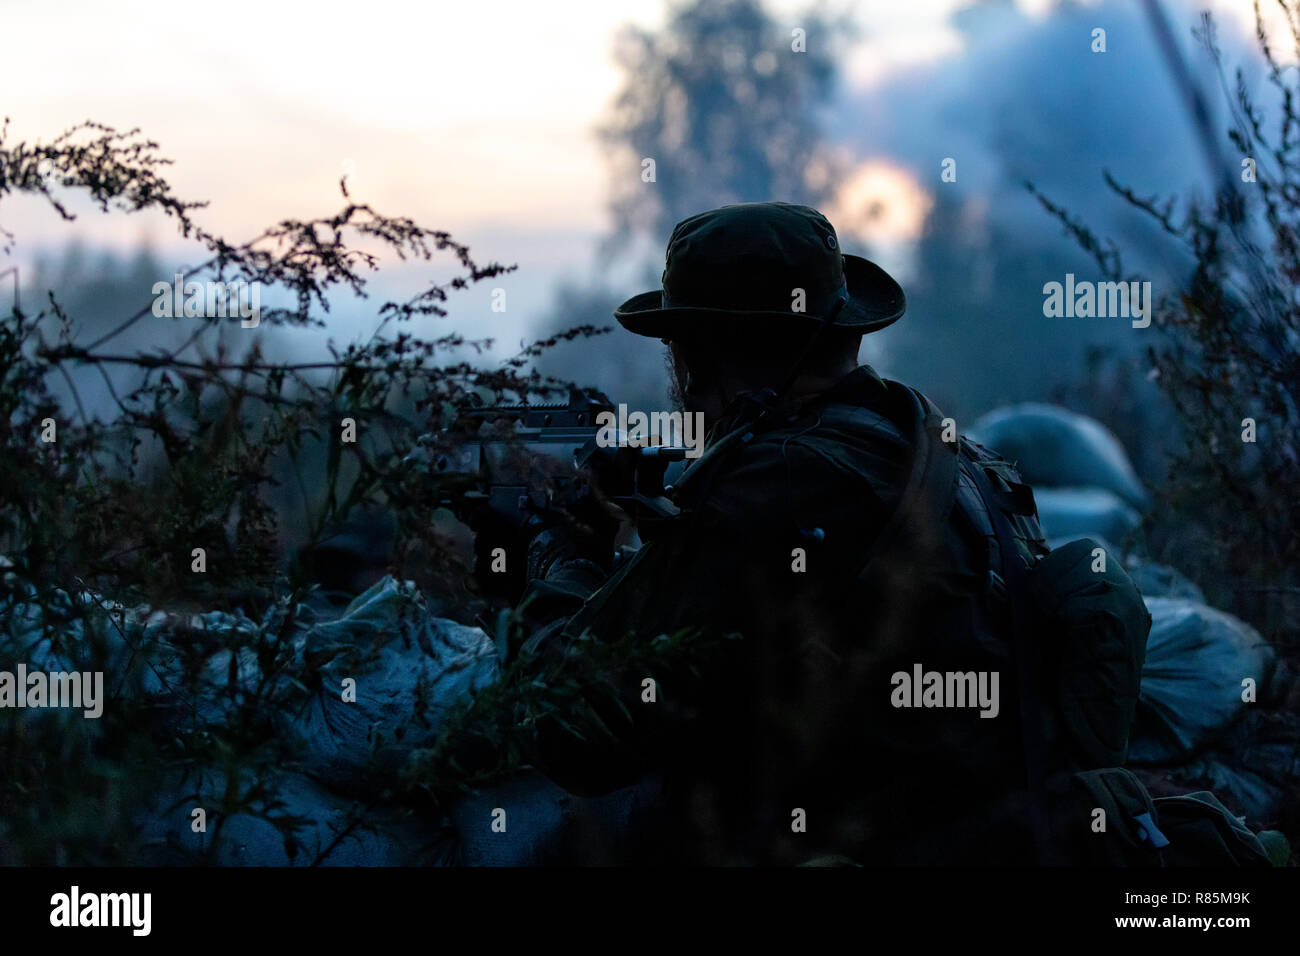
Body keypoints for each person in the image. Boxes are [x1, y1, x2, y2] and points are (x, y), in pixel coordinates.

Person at [507, 201, 1054, 865]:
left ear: (695, 358)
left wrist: (564, 556)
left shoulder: (777, 487)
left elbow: (572, 731)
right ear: (843, 332)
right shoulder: (943, 453)